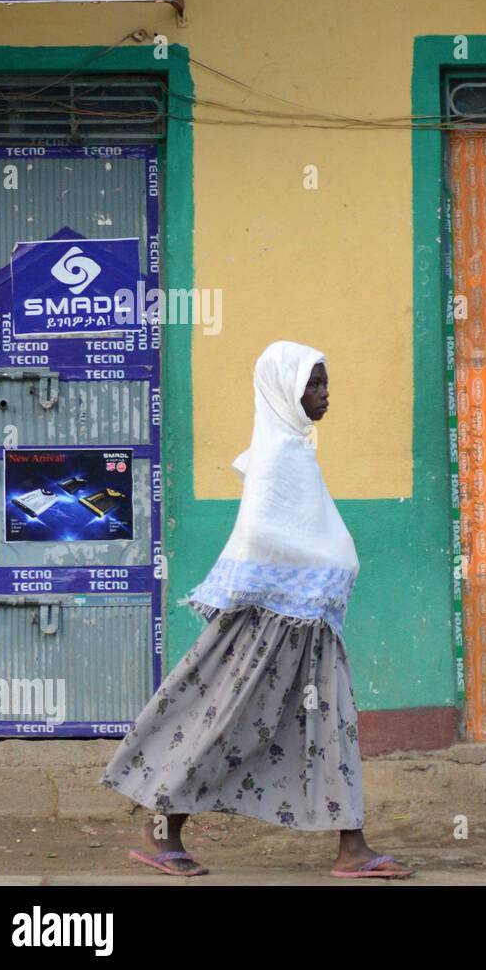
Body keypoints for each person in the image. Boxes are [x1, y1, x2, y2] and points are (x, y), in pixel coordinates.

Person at [100, 341, 413, 879]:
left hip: (307, 624)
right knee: (222, 720)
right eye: (312, 384)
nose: (324, 393)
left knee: (330, 724)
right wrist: (324, 560)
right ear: (284, 392)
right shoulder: (279, 456)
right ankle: (162, 834)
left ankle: (352, 847)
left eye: (323, 382)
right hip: (271, 624)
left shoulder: (293, 448)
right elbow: (264, 533)